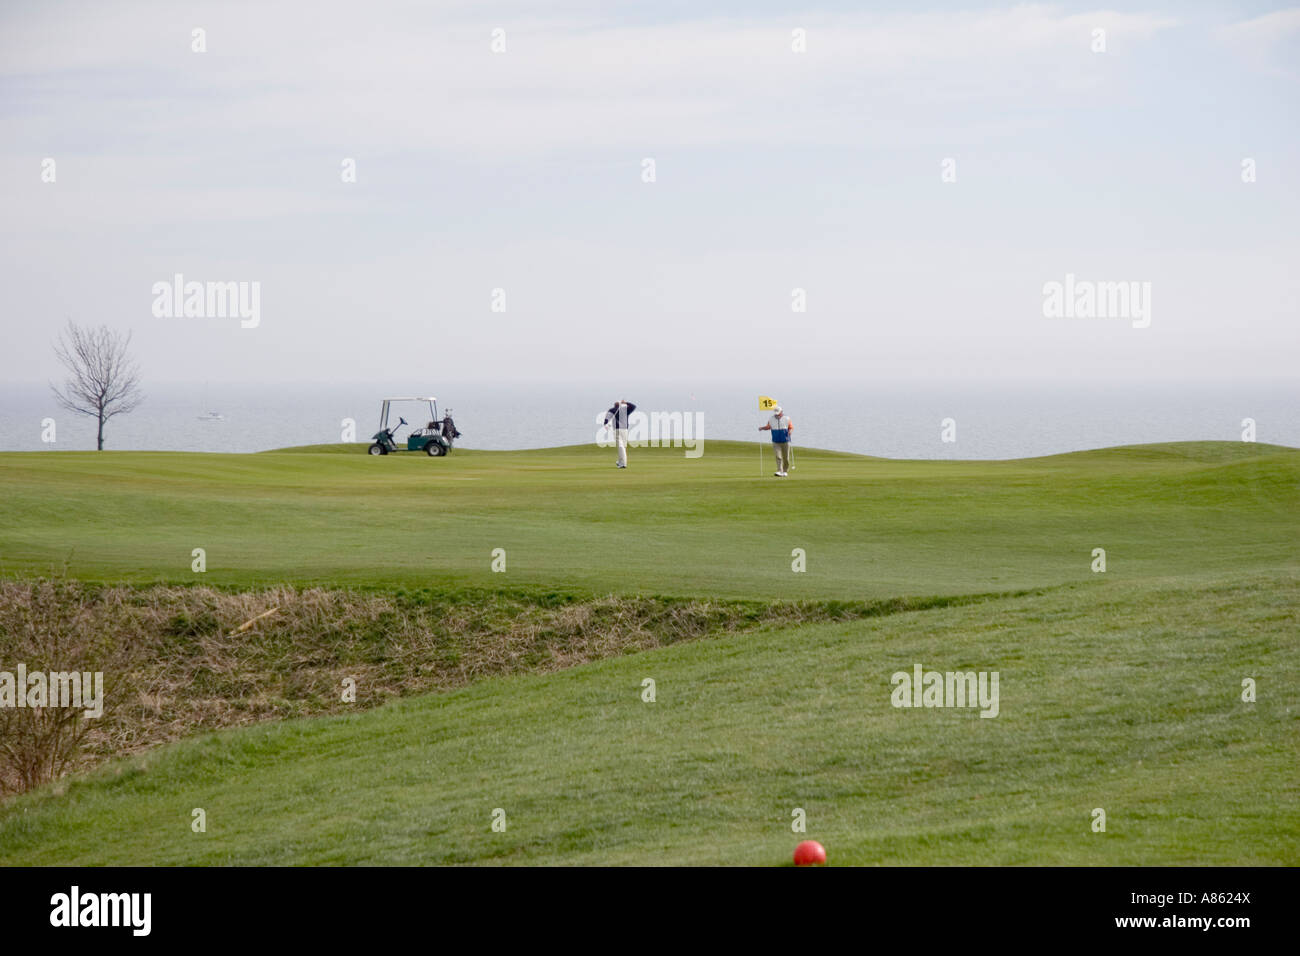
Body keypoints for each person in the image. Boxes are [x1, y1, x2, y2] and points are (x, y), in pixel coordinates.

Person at [759, 404, 793, 477]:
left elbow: (791, 427)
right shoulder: (771, 419)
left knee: (786, 457)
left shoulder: (787, 418)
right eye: (775, 413)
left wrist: (790, 431)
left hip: (785, 440)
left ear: (781, 412)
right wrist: (762, 428)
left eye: (778, 413)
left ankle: (785, 471)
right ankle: (779, 471)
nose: (776, 415)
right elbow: (768, 427)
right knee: (778, 456)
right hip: (775, 441)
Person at [604, 399, 636, 468]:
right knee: (623, 447)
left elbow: (606, 420)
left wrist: (606, 425)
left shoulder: (612, 410)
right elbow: (633, 406)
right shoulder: (625, 410)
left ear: (614, 405)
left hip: (617, 430)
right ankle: (620, 461)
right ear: (620, 405)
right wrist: (626, 402)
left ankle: (623, 464)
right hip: (625, 430)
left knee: (621, 447)